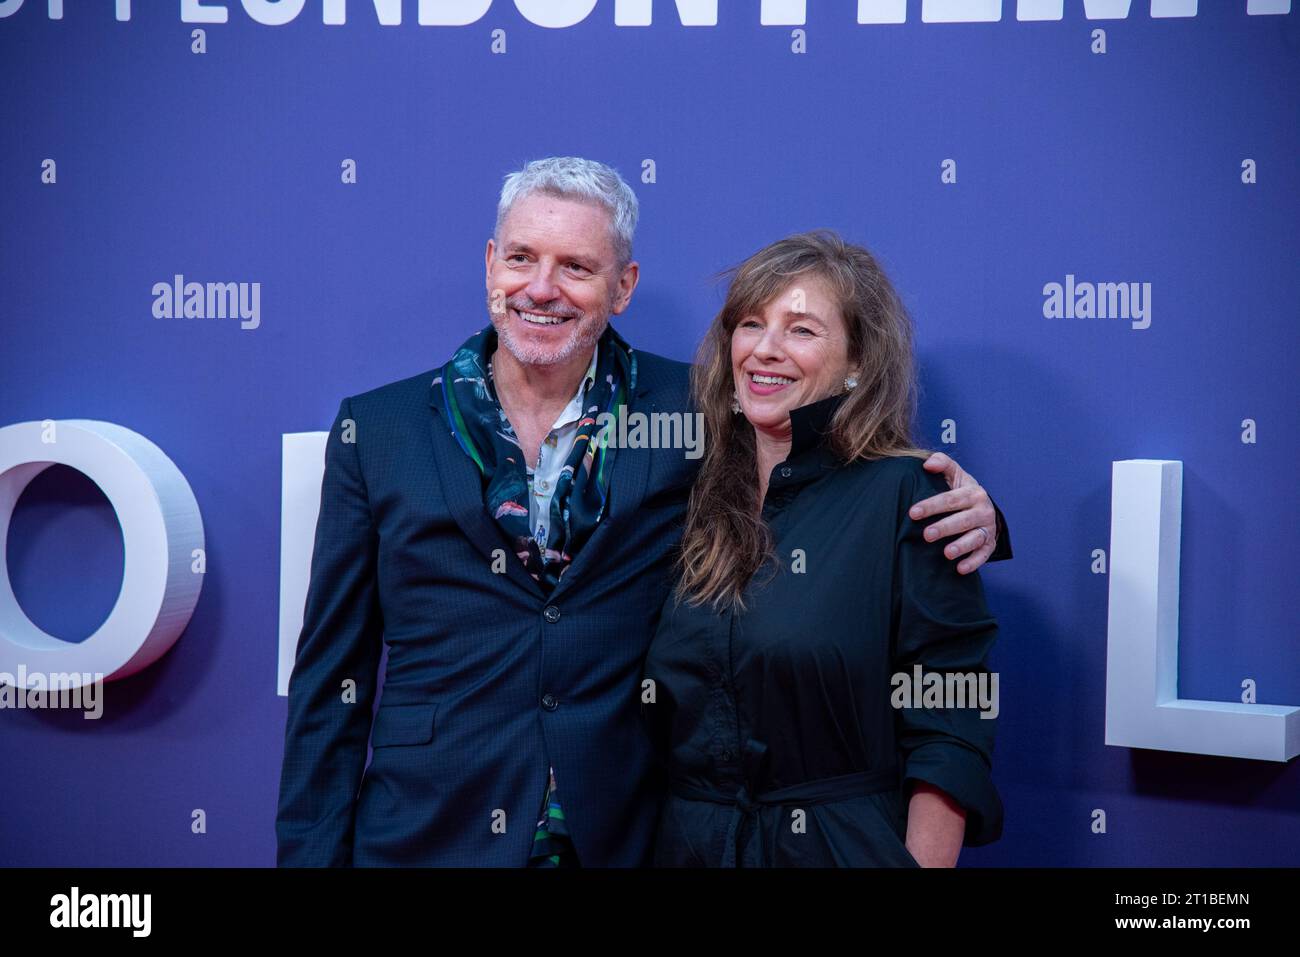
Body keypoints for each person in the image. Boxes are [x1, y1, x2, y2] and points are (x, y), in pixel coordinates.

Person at [275, 157, 1011, 867]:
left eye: (576, 266)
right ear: (491, 262)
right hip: (427, 835)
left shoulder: (693, 411)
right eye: (523, 258)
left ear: (622, 286)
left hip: (623, 835)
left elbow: (821, 469)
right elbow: (329, 681)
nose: (542, 287)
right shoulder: (377, 430)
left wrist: (974, 512)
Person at [644, 230, 1003, 867]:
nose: (765, 350)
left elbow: (950, 717)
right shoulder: (683, 489)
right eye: (750, 324)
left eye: (803, 330)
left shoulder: (911, 496)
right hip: (687, 848)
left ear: (858, 360)